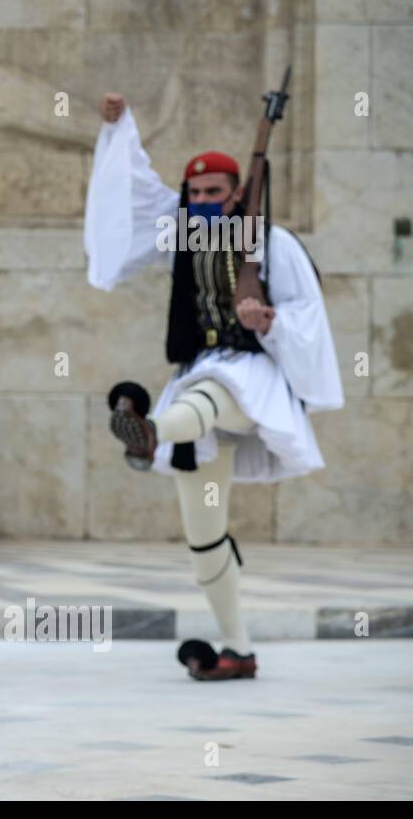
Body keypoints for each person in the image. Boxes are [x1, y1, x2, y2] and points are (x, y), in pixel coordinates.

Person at [84, 93, 343, 680]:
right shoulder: (177, 234)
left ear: (237, 194)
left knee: (206, 396)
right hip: (198, 377)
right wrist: (119, 124)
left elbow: (310, 313)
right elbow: (133, 187)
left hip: (252, 379)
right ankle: (238, 647)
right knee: (204, 531)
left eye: (214, 193)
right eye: (194, 194)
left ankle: (148, 431)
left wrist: (270, 321)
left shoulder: (273, 244)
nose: (201, 202)